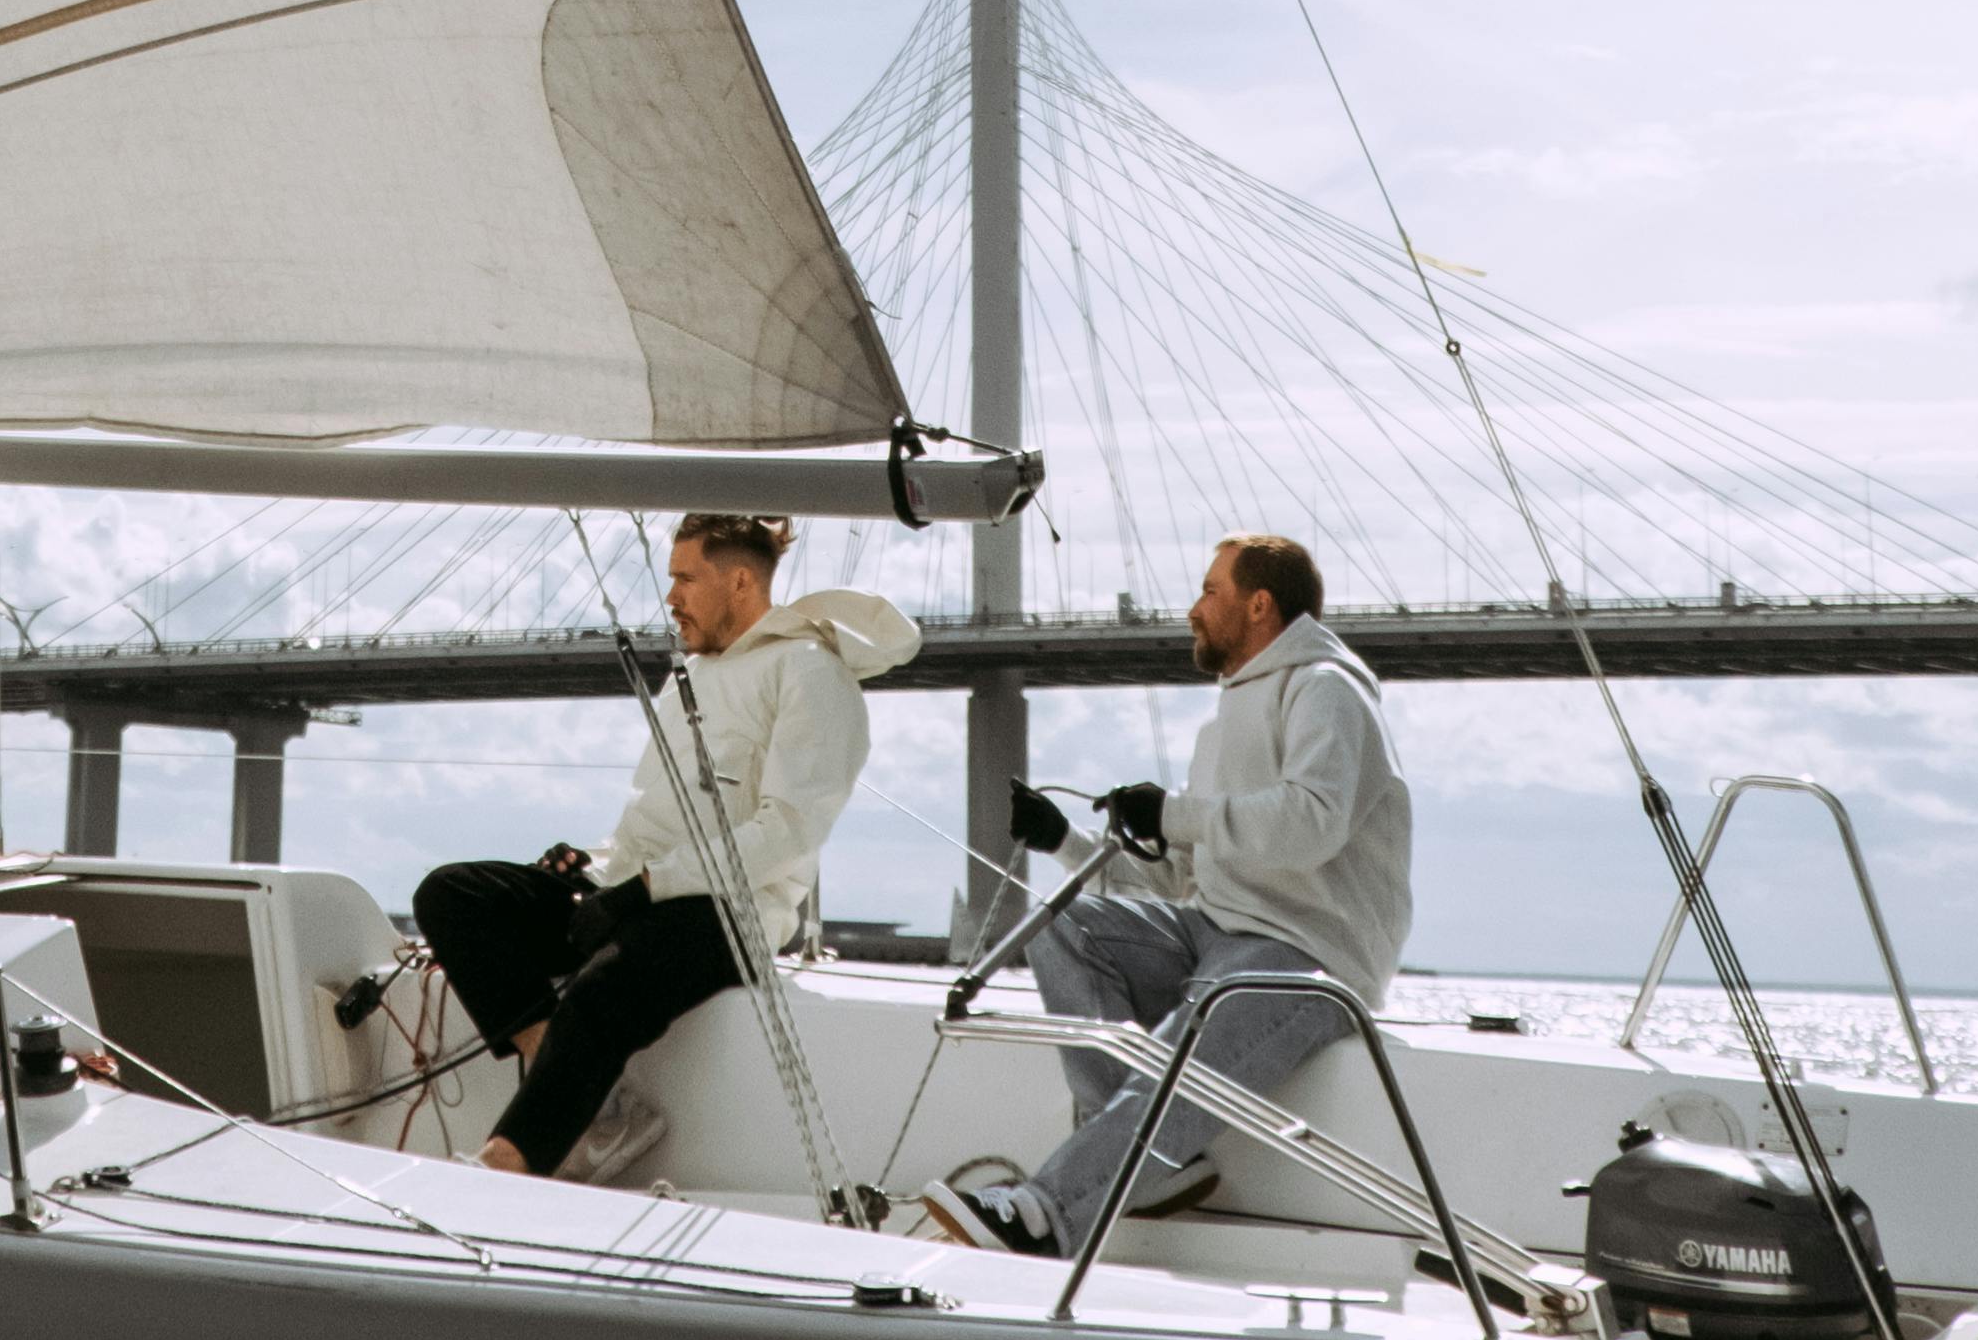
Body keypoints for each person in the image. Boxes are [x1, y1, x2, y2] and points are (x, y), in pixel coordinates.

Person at [414, 515, 918, 1178]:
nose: (671, 597)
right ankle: (599, 1108)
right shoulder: (694, 673)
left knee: (605, 983)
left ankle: (507, 1162)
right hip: (635, 889)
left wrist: (647, 886)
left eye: (686, 578)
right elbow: (661, 821)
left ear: (740, 582)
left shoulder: (810, 672)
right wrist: (596, 864)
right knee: (455, 895)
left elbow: (787, 831)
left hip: (731, 912)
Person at [962, 530, 1411, 1260]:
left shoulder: (1326, 689)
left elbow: (1312, 821)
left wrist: (1171, 812)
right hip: (1214, 932)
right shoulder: (1220, 724)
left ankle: (1047, 1211)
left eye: (1209, 590)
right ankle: (1155, 1169)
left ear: (1259, 604)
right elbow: (1180, 879)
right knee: (1065, 926)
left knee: (1202, 1018)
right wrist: (1064, 839)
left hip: (1307, 951)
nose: (1193, 609)